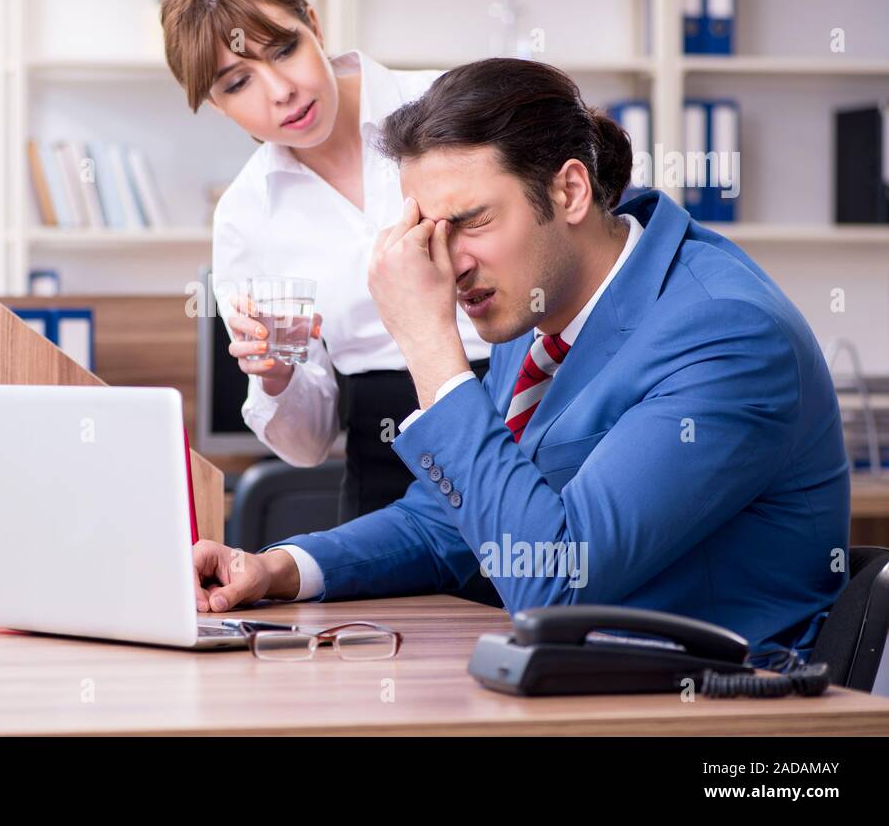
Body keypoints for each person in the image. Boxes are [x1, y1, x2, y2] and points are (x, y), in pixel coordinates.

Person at [190, 57, 850, 668]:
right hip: (578, 681)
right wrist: (275, 568)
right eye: (430, 229)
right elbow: (447, 521)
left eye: (472, 220)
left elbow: (557, 579)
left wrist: (430, 346)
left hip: (719, 711)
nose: (448, 263)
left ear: (568, 191)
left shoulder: (724, 331)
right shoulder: (536, 306)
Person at [159, 0, 494, 557]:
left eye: (284, 49)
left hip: (523, 418)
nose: (281, 91)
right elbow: (309, 444)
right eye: (238, 83)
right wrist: (277, 375)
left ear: (313, 23)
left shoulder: (448, 103)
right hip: (387, 473)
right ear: (217, 105)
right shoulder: (246, 214)